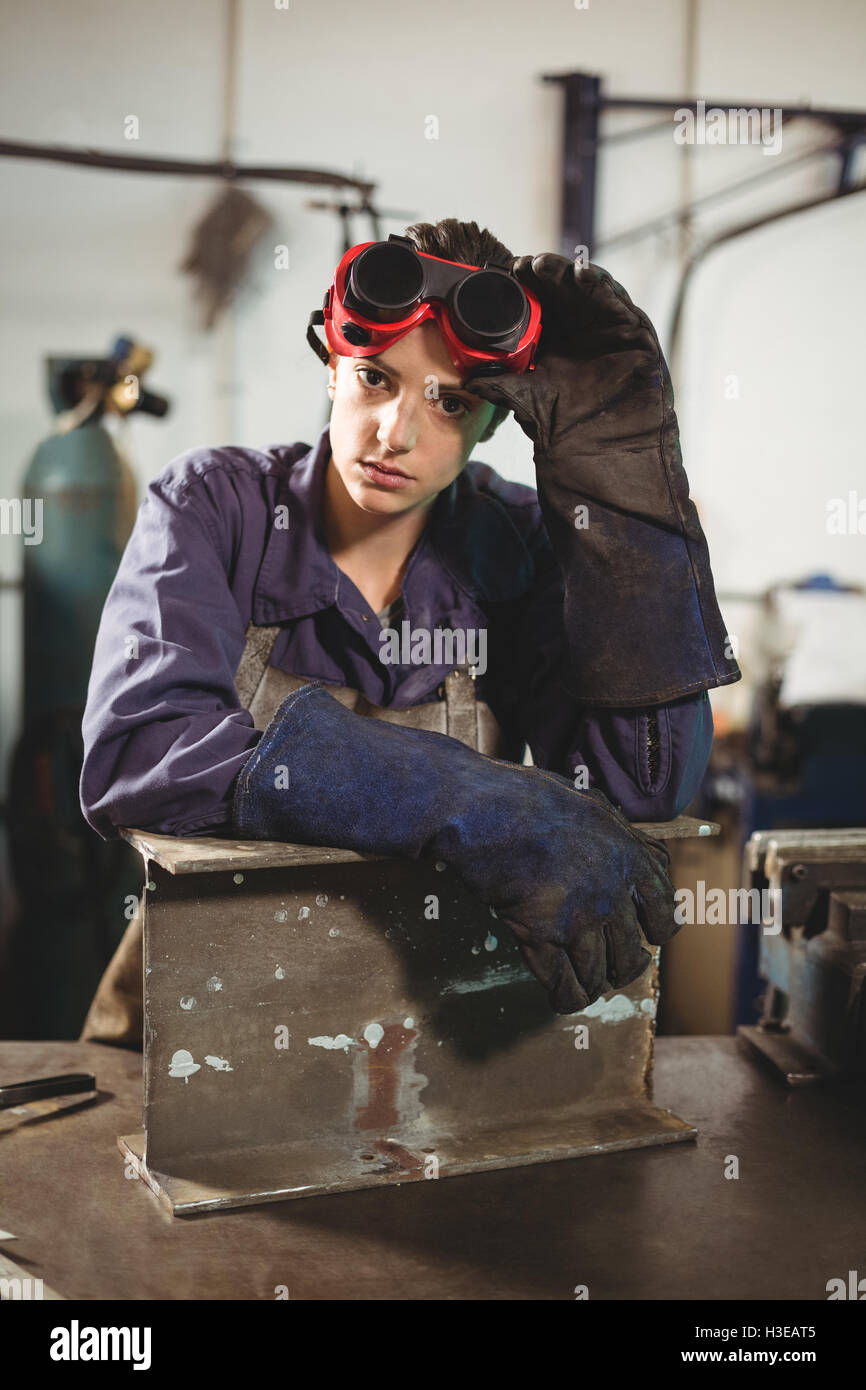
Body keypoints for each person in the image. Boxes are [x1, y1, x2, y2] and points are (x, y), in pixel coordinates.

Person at [79, 217, 740, 1033]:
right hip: (192, 1034)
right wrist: (459, 793)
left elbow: (644, 786)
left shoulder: (523, 545)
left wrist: (614, 481)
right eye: (375, 380)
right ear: (332, 366)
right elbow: (142, 753)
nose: (395, 433)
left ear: (501, 417)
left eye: (451, 402)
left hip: (427, 1041)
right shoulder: (217, 508)